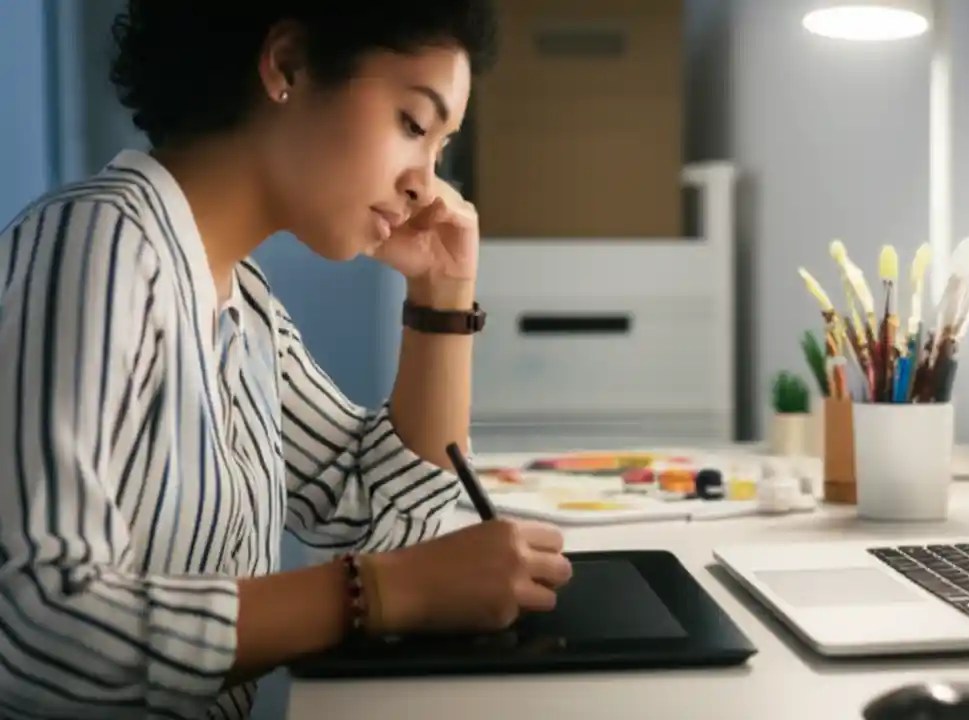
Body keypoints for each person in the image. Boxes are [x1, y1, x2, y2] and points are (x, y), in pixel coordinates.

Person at [0, 2, 574, 718]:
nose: (427, 183)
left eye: (440, 150)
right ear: (287, 66)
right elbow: (39, 624)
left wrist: (442, 294)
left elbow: (380, 512)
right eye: (413, 125)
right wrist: (383, 593)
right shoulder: (98, 246)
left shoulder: (240, 299)